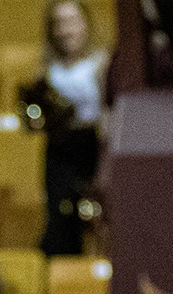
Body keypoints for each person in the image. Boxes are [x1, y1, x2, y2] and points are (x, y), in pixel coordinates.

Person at [38, 0, 109, 256]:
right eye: (59, 23)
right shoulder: (47, 65)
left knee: (97, 218)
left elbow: (107, 112)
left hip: (91, 146)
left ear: (85, 24)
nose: (66, 30)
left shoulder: (101, 62)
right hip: (58, 148)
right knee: (60, 219)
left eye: (72, 22)